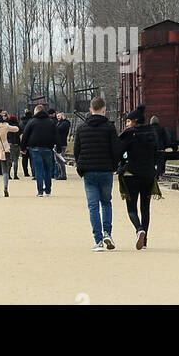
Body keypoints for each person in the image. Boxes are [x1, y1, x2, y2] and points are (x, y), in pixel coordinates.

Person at [75, 97, 120, 251]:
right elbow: (116, 150)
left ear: (90, 109)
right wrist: (113, 166)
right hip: (105, 170)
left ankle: (98, 240)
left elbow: (77, 151)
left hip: (88, 171)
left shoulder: (81, 128)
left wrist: (80, 168)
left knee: (93, 206)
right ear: (104, 109)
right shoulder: (109, 128)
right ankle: (108, 233)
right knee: (106, 202)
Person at [118, 105, 160, 250]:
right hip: (148, 175)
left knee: (131, 208)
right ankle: (145, 241)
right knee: (145, 208)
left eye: (128, 121)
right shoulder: (152, 133)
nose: (127, 124)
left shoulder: (129, 134)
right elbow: (157, 154)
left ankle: (138, 229)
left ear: (135, 121)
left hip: (131, 175)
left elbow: (118, 152)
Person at [21, 104, 57, 197]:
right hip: (48, 148)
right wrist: (59, 147)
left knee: (38, 170)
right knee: (47, 169)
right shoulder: (50, 121)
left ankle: (40, 191)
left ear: (36, 111)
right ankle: (48, 190)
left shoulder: (32, 121)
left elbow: (25, 135)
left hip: (35, 148)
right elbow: (56, 134)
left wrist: (23, 148)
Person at [54, 111, 71, 180]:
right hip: (58, 143)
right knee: (57, 160)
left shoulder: (65, 123)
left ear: (63, 116)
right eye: (57, 116)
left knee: (60, 159)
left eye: (59, 116)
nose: (57, 118)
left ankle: (63, 175)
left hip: (62, 143)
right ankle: (60, 174)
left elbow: (58, 129)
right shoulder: (59, 123)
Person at [5, 115, 21, 180]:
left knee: (9, 160)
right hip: (17, 144)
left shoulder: (7, 127)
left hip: (10, 144)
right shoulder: (18, 127)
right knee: (16, 160)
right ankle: (15, 175)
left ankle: (8, 174)